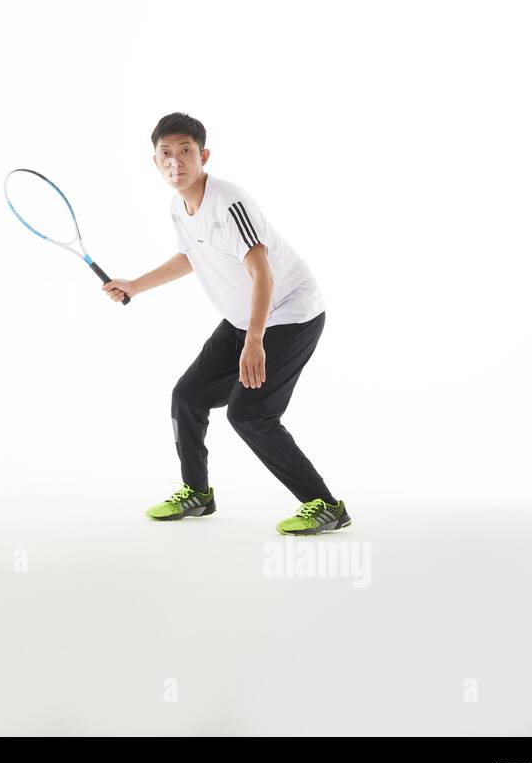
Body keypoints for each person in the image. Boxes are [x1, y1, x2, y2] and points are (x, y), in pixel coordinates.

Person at [102, 112, 349, 534]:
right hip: (244, 319)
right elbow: (190, 256)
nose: (175, 162)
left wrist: (255, 340)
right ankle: (197, 494)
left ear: (204, 156)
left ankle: (324, 504)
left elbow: (263, 272)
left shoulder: (228, 202)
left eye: (185, 152)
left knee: (250, 414)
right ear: (154, 160)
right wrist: (137, 285)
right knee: (187, 397)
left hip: (290, 314)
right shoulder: (179, 206)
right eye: (166, 154)